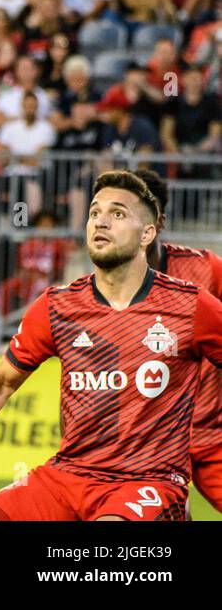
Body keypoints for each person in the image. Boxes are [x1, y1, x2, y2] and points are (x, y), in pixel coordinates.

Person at [0, 171, 222, 521]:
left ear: (148, 233)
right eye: (94, 212)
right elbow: (3, 381)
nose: (101, 221)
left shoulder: (192, 305)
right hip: (68, 474)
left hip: (147, 480)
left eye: (118, 214)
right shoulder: (57, 306)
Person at [135, 170, 222, 514]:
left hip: (212, 437)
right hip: (149, 444)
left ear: (159, 222)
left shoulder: (207, 270)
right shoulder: (103, 287)